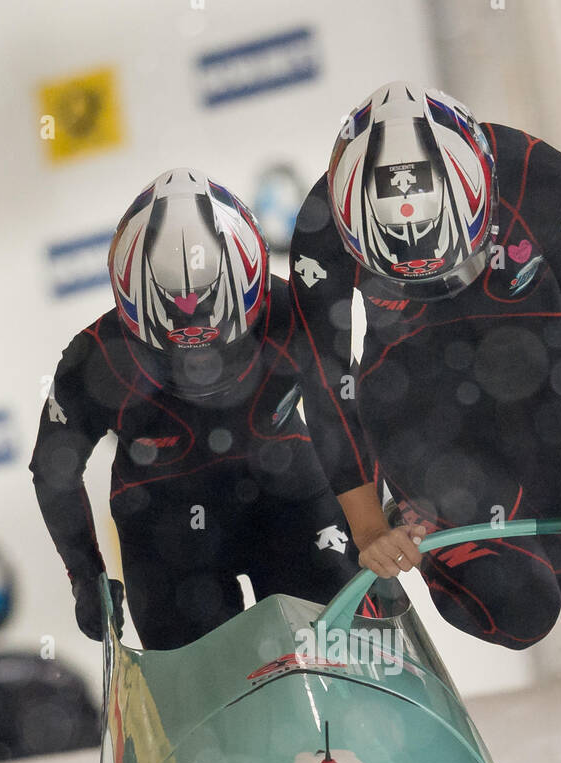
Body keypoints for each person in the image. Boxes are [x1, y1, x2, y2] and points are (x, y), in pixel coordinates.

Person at [289, 83, 561, 763]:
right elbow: (327, 385)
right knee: (520, 612)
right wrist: (368, 529)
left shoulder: (541, 176)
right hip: (422, 407)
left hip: (541, 380)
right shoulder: (323, 221)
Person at [30, 167, 358, 652]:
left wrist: (372, 514)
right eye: (174, 353)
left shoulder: (294, 312)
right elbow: (54, 469)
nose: (202, 370)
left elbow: (349, 407)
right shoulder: (96, 359)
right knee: (201, 681)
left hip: (288, 499)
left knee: (345, 646)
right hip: (166, 531)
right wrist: (86, 576)